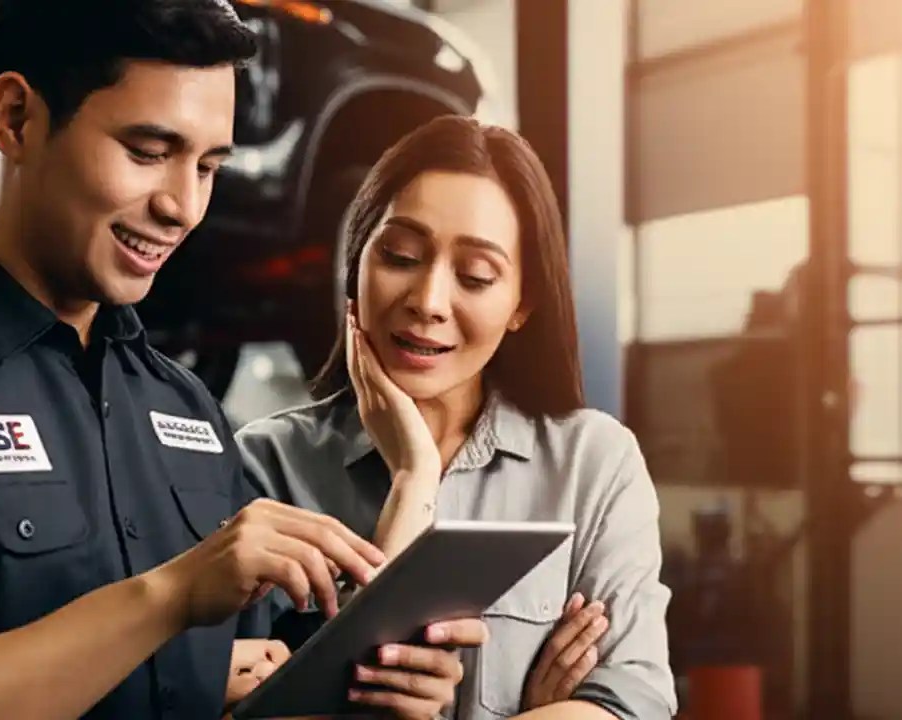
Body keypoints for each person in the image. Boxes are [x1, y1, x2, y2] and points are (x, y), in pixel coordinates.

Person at [0, 2, 487, 718]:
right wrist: (168, 598)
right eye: (149, 152)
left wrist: (382, 686)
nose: (183, 206)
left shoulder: (183, 406)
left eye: (208, 166)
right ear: (15, 117)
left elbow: (263, 678)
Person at [235, 115, 678, 720]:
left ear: (522, 304)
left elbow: (634, 703)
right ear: (357, 261)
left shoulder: (592, 464)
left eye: (475, 276)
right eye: (400, 256)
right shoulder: (265, 465)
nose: (428, 302)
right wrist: (413, 480)